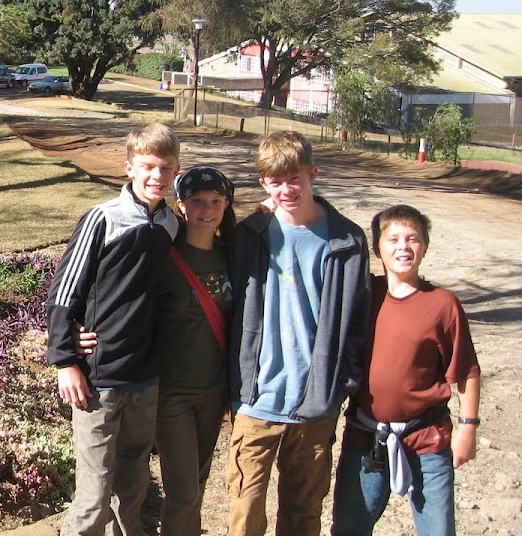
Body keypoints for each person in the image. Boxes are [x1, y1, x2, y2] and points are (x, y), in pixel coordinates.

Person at [78, 166, 237, 536]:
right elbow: (114, 293)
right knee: (182, 491)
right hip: (171, 390)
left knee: (195, 486)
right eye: (197, 201)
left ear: (227, 205)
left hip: (214, 390)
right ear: (180, 204)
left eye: (216, 201)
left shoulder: (235, 252)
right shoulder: (164, 253)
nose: (207, 210)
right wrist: (72, 331)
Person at [226, 130, 370, 536]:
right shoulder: (250, 235)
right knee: (244, 512)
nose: (287, 189)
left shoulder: (347, 241)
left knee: (303, 515)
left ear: (313, 174)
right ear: (263, 184)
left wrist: (342, 382)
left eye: (295, 178)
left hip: (315, 402)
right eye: (276, 181)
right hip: (256, 399)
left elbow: (357, 321)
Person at [47, 122, 180, 536]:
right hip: (98, 379)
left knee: (134, 482)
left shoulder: (171, 226)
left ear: (176, 171)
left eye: (166, 168)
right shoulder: (103, 219)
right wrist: (65, 360)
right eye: (148, 166)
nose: (157, 176)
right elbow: (64, 291)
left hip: (144, 377)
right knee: (95, 491)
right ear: (129, 167)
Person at [331, 205, 480, 536]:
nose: (403, 247)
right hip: (365, 438)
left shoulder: (442, 304)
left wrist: (468, 428)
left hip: (426, 439)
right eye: (393, 238)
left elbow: (467, 370)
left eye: (413, 239)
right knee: (348, 528)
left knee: (438, 530)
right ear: (377, 247)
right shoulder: (364, 296)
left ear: (424, 246)